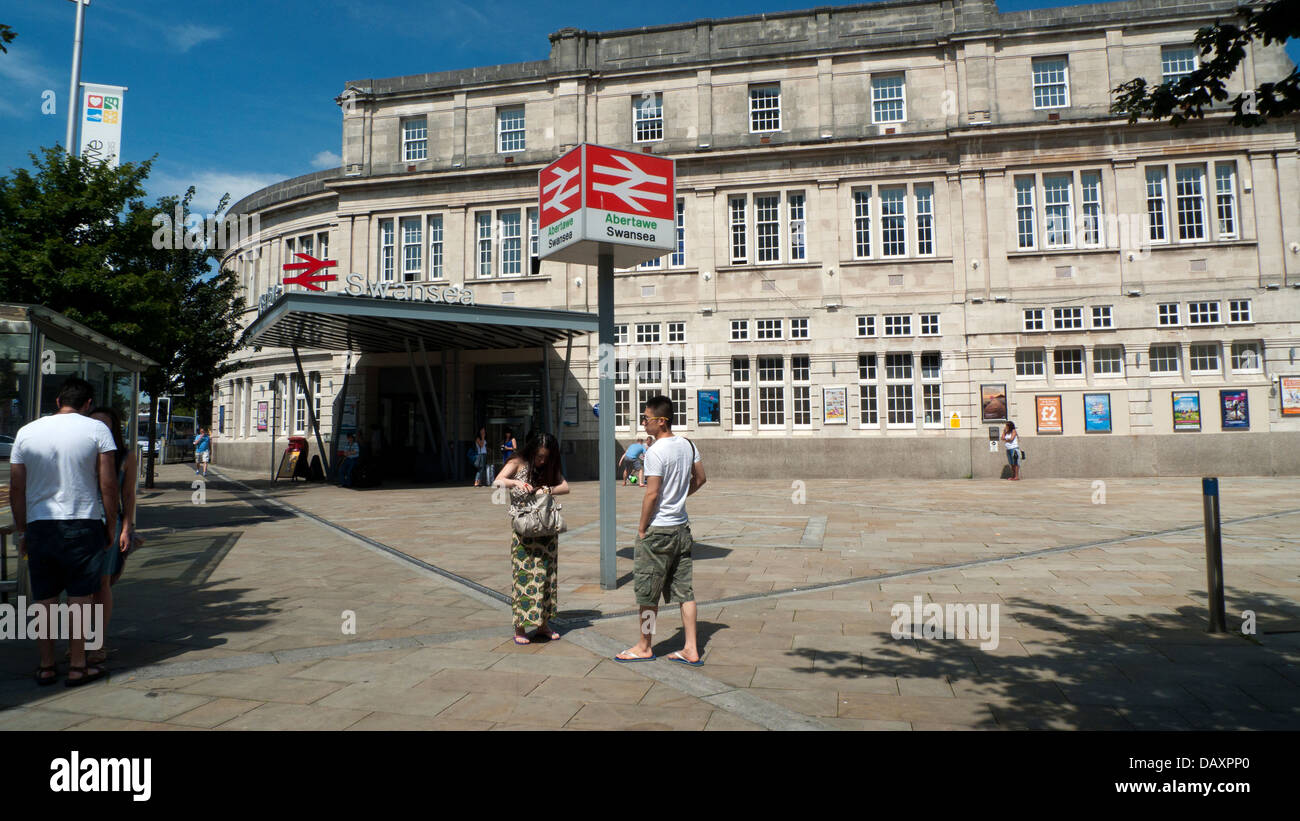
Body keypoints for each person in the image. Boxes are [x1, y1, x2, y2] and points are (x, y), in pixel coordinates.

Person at [9, 377, 119, 687]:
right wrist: (110, 525)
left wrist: (22, 530)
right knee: (80, 596)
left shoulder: (26, 432)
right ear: (88, 405)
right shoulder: (97, 429)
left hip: (39, 524)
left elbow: (17, 487)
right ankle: (78, 665)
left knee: (43, 597)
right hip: (83, 522)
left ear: (57, 402)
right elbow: (108, 485)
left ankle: (46, 665)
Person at [616, 395, 706, 665]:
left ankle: (644, 645)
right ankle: (691, 648)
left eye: (646, 418)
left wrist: (642, 529)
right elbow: (701, 478)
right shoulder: (688, 445)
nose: (643, 422)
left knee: (647, 592)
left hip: (658, 530)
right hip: (681, 528)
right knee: (684, 592)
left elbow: (652, 494)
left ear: (661, 421)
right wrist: (680, 498)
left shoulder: (655, 451)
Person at [494, 432, 569, 644]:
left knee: (546, 577)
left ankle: (543, 625)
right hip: (524, 531)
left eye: (546, 456)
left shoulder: (549, 466)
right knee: (524, 578)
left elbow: (566, 487)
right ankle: (520, 627)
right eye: (539, 456)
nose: (542, 460)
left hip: (546, 530)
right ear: (531, 451)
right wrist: (516, 483)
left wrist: (548, 488)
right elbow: (497, 480)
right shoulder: (518, 462)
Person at [87, 406, 143, 666]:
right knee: (79, 587)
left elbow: (128, 495)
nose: (98, 429)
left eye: (104, 425)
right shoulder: (82, 452)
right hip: (81, 522)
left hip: (110, 522)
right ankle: (79, 641)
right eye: (94, 423)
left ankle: (97, 642)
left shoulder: (125, 457)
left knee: (102, 584)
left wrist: (126, 528)